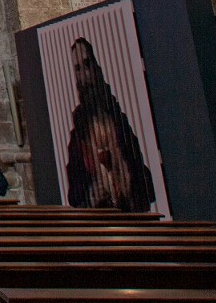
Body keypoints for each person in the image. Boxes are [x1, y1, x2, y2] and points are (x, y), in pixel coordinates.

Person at [63, 38, 157, 211]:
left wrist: (128, 181)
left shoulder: (119, 124)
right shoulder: (78, 138)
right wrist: (92, 195)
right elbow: (74, 195)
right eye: (77, 69)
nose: (84, 76)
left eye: (87, 65)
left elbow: (147, 185)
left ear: (96, 68)